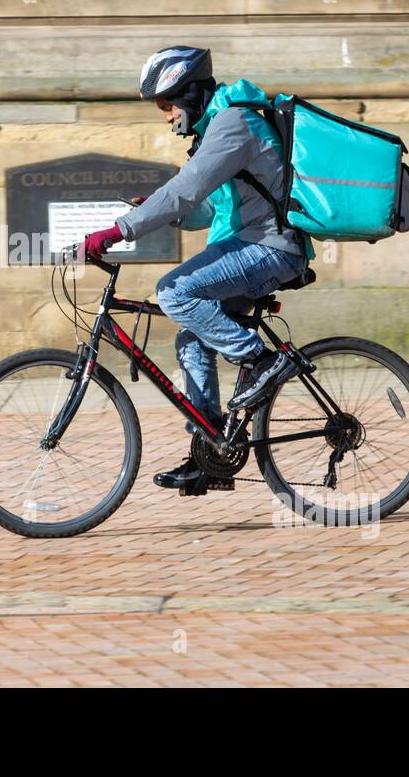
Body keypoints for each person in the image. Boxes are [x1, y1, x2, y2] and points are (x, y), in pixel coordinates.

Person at [78, 46, 312, 491]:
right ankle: (212, 452)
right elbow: (205, 205)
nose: (166, 117)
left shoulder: (233, 124)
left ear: (188, 93)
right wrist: (164, 212)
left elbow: (185, 189)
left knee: (174, 292)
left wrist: (118, 231)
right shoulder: (217, 129)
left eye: (167, 106)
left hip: (271, 248)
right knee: (191, 338)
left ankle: (262, 362)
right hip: (248, 243)